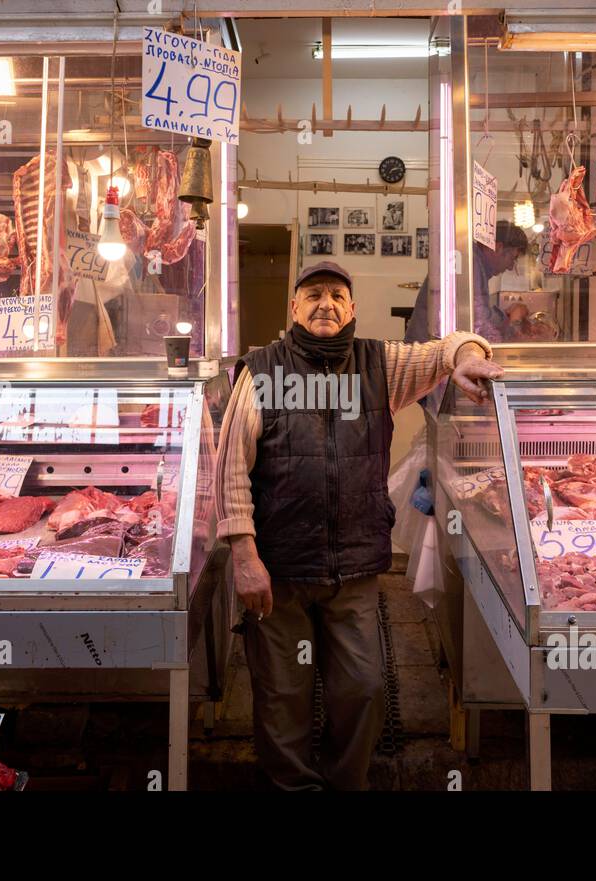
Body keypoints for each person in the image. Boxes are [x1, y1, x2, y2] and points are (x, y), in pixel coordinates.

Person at [215, 260, 503, 790]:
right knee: (282, 694)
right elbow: (231, 466)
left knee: (364, 688)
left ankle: (346, 781)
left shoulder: (380, 364)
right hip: (279, 569)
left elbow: (452, 343)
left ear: (352, 309)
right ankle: (294, 785)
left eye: (337, 296)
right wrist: (243, 553)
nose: (326, 303)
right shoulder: (261, 370)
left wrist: (467, 358)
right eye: (314, 295)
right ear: (294, 308)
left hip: (354, 567)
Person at [404, 220, 528, 343]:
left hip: (431, 349)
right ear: (498, 247)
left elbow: (480, 311)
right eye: (513, 258)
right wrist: (513, 336)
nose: (511, 266)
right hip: (427, 355)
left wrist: (506, 317)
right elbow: (479, 324)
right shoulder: (469, 262)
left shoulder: (472, 259)